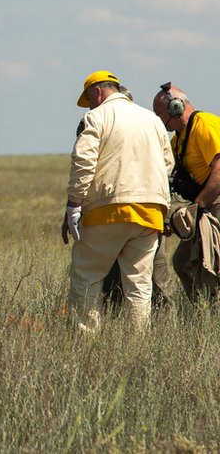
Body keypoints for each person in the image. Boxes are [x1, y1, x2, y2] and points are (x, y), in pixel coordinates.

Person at [63, 70, 173, 332]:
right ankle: (136, 344)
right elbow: (167, 163)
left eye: (89, 99)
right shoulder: (152, 119)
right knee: (139, 285)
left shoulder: (95, 116)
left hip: (107, 210)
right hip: (151, 212)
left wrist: (73, 203)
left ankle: (86, 341)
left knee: (87, 276)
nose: (89, 105)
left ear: (97, 92)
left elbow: (83, 162)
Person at [152, 83, 220, 301]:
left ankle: (210, 311)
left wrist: (195, 209)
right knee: (183, 262)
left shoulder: (204, 124)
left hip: (214, 203)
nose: (159, 120)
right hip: (206, 205)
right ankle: (203, 312)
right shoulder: (179, 139)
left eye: (159, 114)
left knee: (212, 262)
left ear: (175, 107)